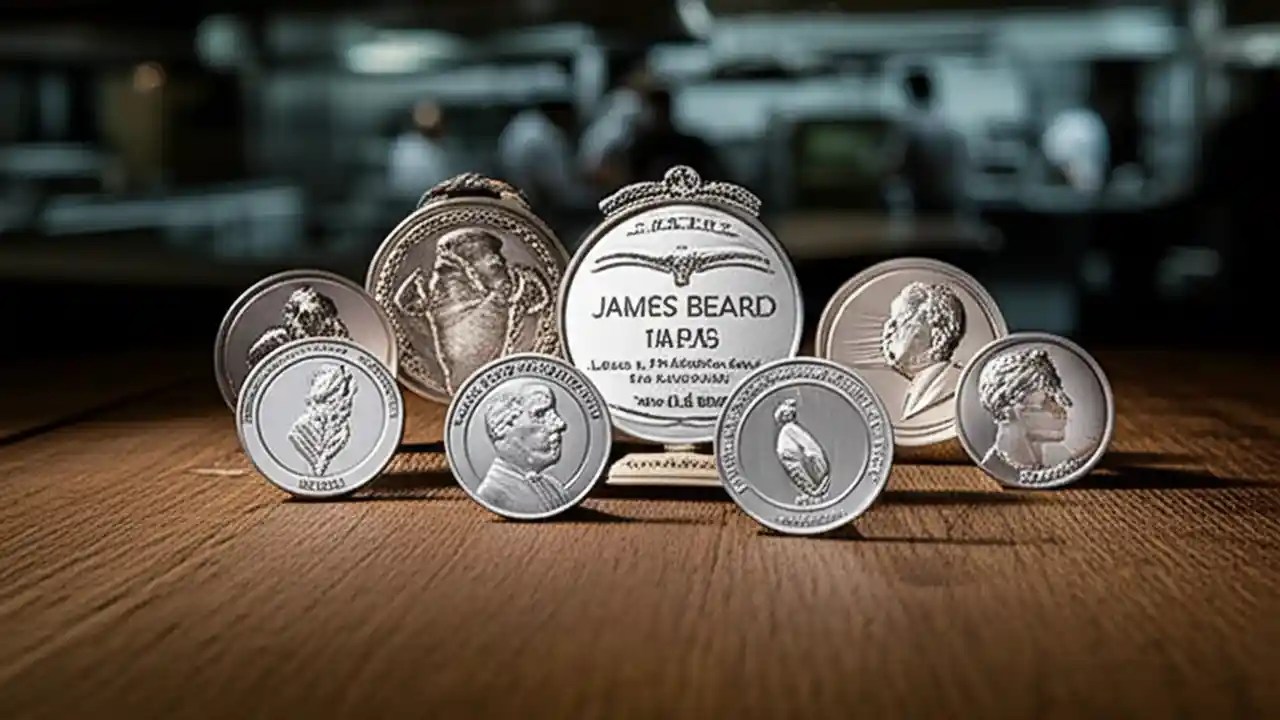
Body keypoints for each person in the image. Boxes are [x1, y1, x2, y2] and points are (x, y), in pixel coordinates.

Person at [391, 228, 553, 394]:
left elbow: (539, 298)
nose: (497, 259)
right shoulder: (446, 285)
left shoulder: (506, 286)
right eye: (483, 253)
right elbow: (406, 304)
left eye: (492, 254)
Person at [977, 347, 1098, 484]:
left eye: (1055, 400)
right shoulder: (998, 469)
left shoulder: (1061, 462)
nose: (1061, 411)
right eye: (1044, 403)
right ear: (1006, 412)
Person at [886, 66, 970, 218]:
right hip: (953, 197)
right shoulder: (950, 124)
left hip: (925, 201)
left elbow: (900, 165)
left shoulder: (909, 127)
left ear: (909, 92)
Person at [477, 381, 571, 514]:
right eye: (540, 414)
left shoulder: (554, 486)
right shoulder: (492, 491)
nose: (559, 423)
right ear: (504, 427)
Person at [880, 281, 966, 420]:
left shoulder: (957, 384)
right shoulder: (916, 384)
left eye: (900, 320)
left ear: (934, 334)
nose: (888, 330)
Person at [496, 99, 596, 213]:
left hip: (512, 195)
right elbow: (561, 192)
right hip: (533, 205)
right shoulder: (546, 135)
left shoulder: (524, 120)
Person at [622, 88, 724, 183]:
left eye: (661, 110)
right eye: (656, 110)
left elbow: (715, 176)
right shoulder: (639, 149)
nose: (659, 115)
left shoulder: (691, 146)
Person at [387, 100, 457, 199]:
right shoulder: (406, 147)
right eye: (425, 115)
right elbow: (402, 184)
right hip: (409, 200)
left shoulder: (447, 146)